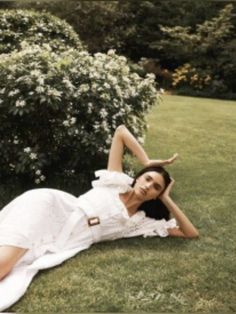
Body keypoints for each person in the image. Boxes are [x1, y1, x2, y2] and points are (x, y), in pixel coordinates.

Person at [0, 125, 199, 310]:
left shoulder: (140, 222)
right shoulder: (115, 182)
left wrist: (167, 198)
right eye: (148, 178)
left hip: (62, 242)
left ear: (157, 195)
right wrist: (147, 161)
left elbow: (189, 233)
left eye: (156, 187)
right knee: (4, 265)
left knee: (9, 268)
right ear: (139, 177)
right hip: (50, 208)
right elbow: (121, 132)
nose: (148, 186)